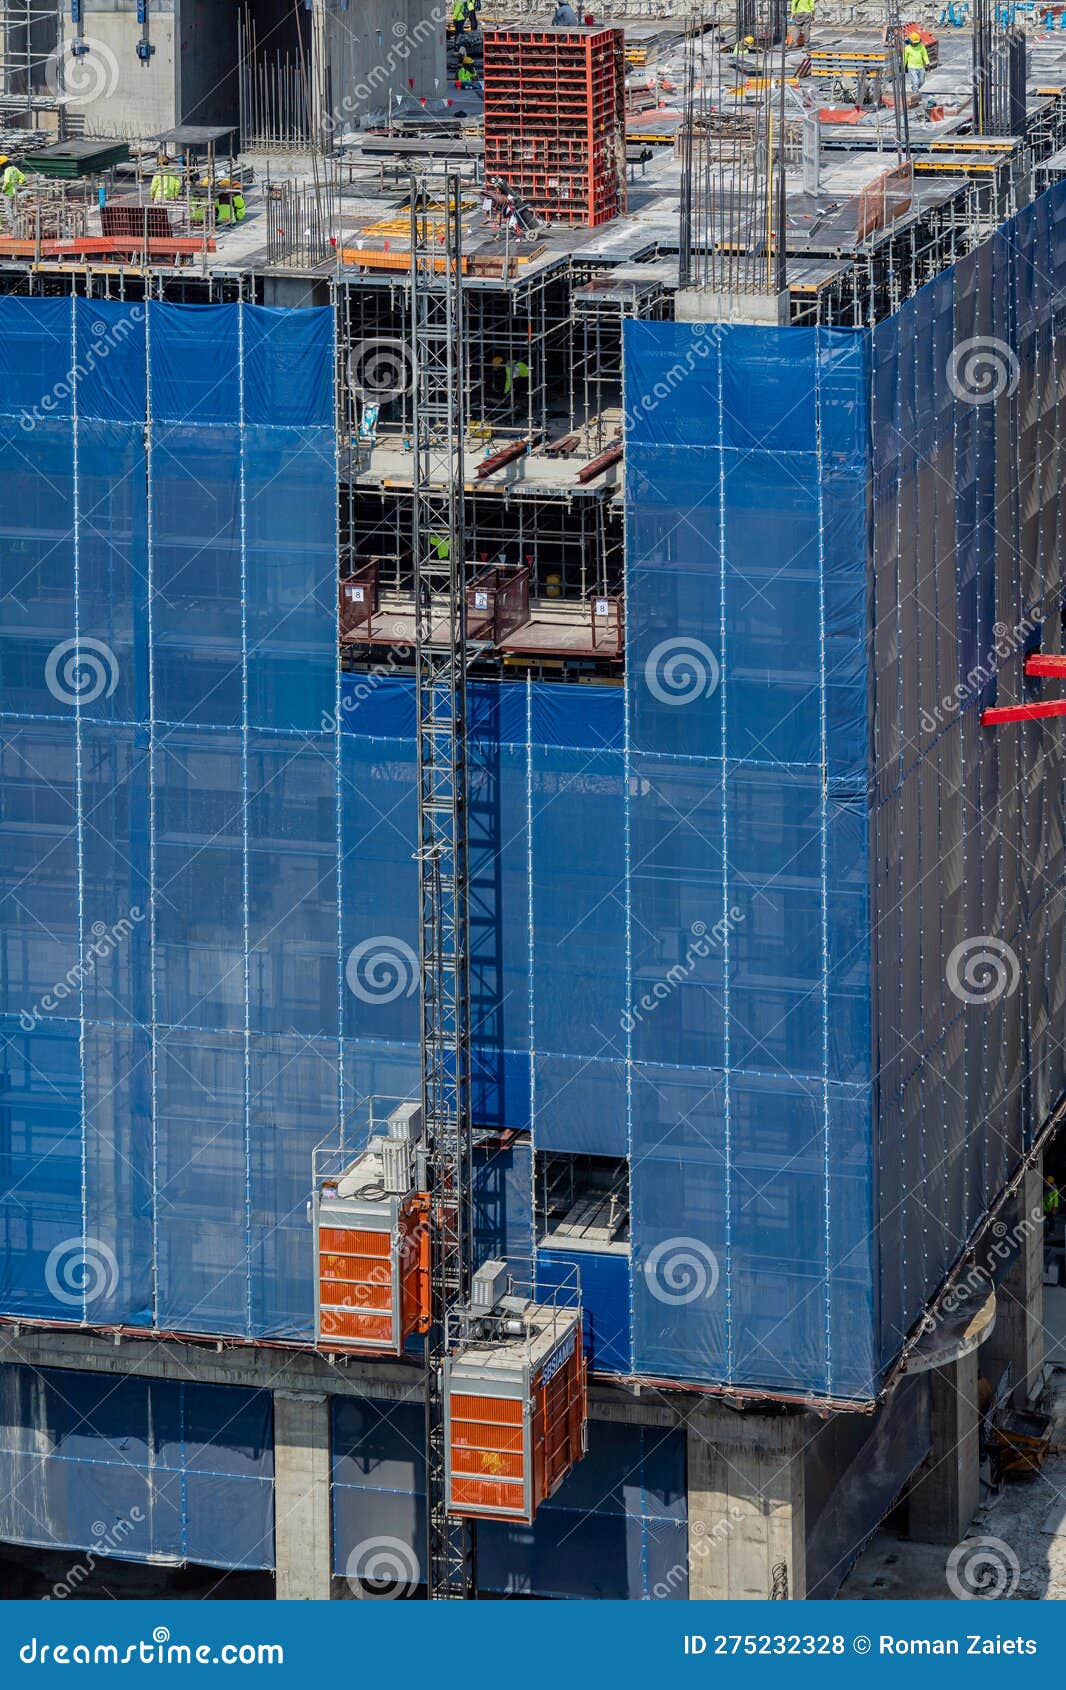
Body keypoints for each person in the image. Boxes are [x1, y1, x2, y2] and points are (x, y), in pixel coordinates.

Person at [1, 156, 25, 229]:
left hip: (8, 192)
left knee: (8, 209)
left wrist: (3, 189)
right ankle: (18, 225)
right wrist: (18, 183)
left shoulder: (7, 170)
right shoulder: (14, 168)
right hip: (15, 191)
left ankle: (12, 225)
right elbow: (23, 177)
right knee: (15, 209)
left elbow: (7, 181)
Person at [903, 29, 929, 94]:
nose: (915, 44)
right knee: (915, 81)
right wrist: (903, 66)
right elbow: (905, 58)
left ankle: (915, 88)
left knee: (922, 81)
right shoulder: (907, 48)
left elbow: (925, 55)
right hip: (912, 67)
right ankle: (915, 93)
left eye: (916, 43)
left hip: (921, 67)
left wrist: (927, 63)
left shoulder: (921, 47)